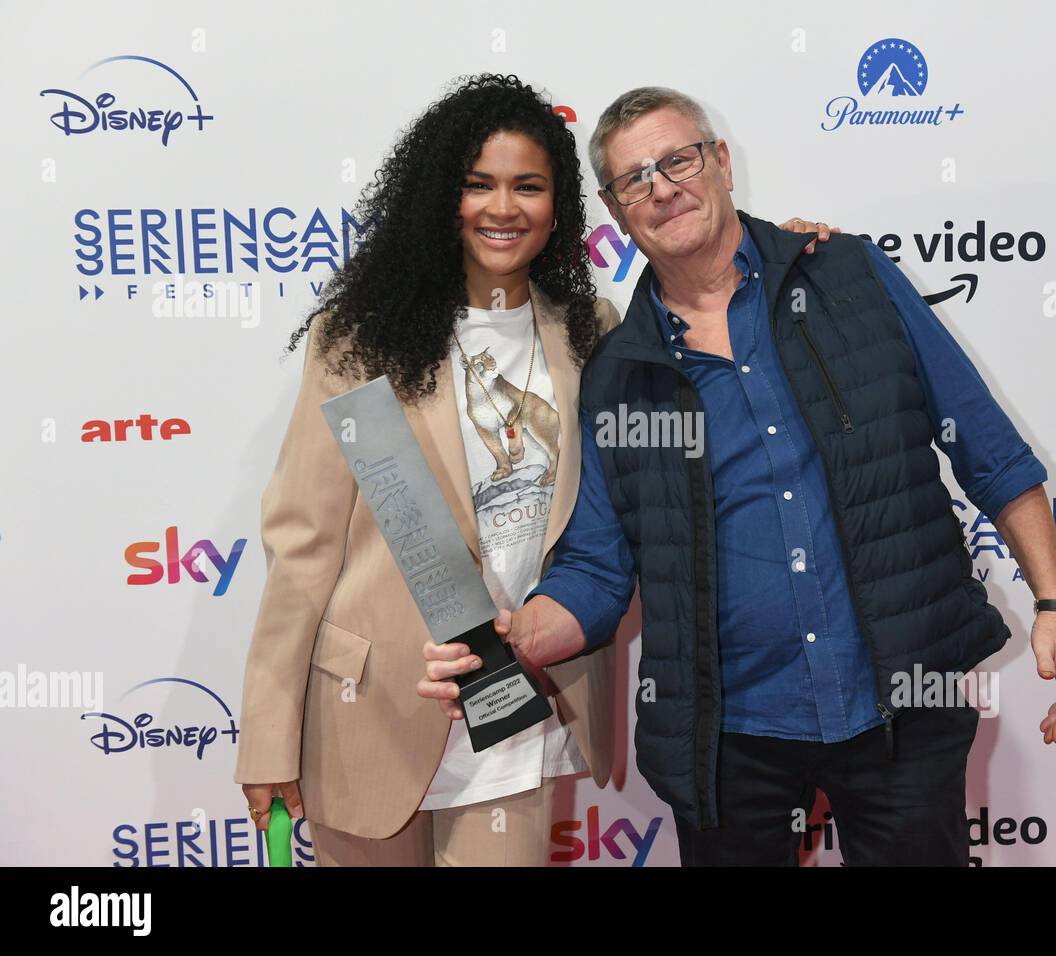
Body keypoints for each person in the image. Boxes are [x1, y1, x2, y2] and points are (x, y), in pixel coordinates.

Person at [420, 86, 1056, 866]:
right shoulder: (618, 376)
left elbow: (986, 447)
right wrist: (516, 637)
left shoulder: (850, 278)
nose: (662, 187)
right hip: (726, 740)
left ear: (721, 161)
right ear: (613, 208)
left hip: (903, 703)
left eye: (678, 160)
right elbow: (598, 568)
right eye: (636, 179)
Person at [235, 73, 837, 866]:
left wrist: (790, 258)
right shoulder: (361, 341)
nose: (502, 207)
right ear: (441, 197)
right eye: (477, 185)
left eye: (528, 185)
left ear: (560, 206)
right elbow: (303, 545)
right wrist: (268, 736)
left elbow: (711, 312)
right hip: (372, 709)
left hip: (520, 705)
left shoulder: (594, 330)